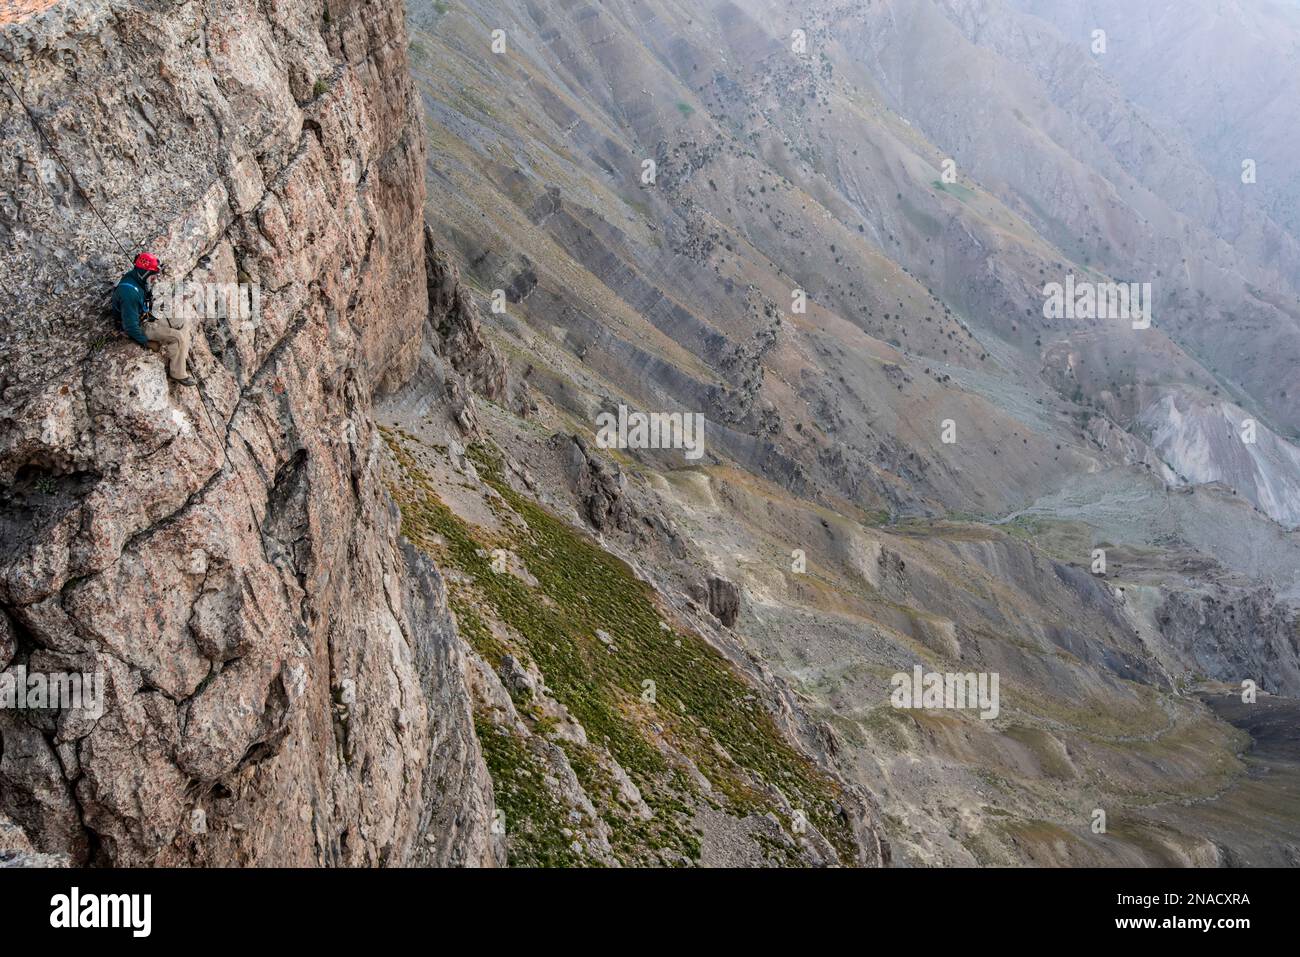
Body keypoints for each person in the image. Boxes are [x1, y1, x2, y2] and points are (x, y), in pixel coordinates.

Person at [112, 252, 194, 386]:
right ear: (144, 272)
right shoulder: (129, 293)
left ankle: (180, 357)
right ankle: (178, 373)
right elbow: (130, 326)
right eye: (153, 275)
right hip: (138, 325)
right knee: (177, 336)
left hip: (145, 314)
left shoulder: (139, 279)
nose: (156, 278)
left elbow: (145, 299)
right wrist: (146, 342)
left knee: (181, 321)